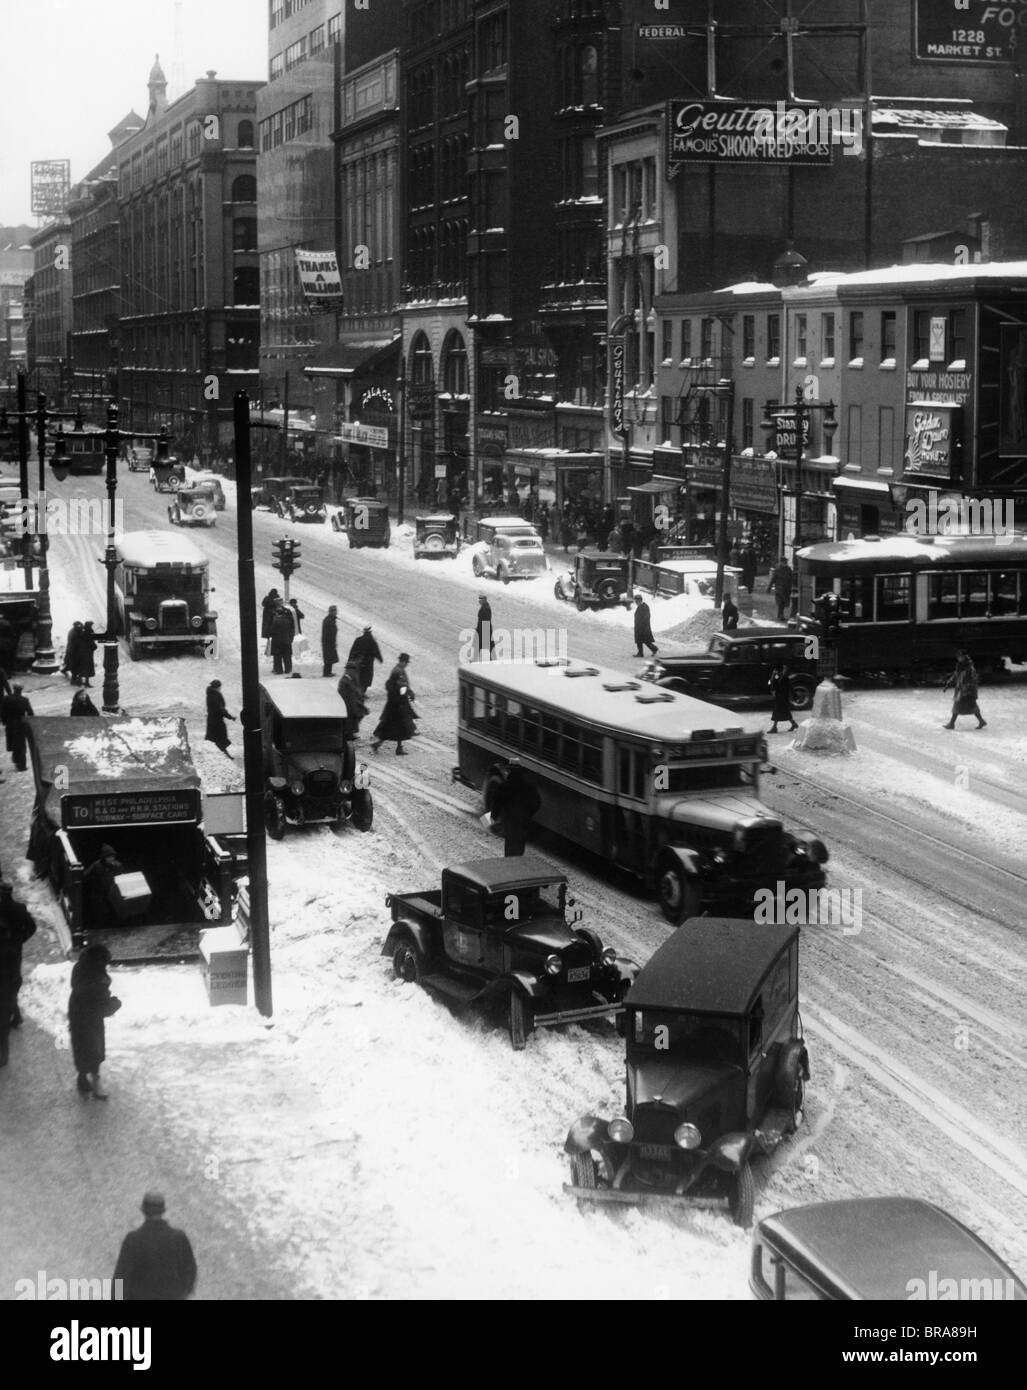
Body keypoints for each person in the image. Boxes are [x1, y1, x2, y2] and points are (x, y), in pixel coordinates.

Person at [114, 1193, 197, 1301]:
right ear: (163, 1211)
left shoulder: (133, 1239)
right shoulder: (178, 1238)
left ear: (143, 1211)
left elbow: (121, 1276)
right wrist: (182, 1293)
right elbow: (190, 1270)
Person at [67, 942, 120, 1098]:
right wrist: (111, 1004)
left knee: (92, 1045)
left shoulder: (84, 969)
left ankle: (88, 1076)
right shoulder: (91, 975)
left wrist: (107, 1002)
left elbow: (94, 995)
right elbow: (94, 999)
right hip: (84, 1016)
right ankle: (85, 1077)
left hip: (83, 1015)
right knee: (88, 1046)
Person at [0, 878, 37, 1067]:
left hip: (5, 955)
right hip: (14, 954)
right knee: (12, 984)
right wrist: (20, 940)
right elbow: (32, 927)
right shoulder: (19, 909)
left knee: (7, 988)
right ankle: (16, 1015)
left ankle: (12, 1016)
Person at [489, 760, 542, 857]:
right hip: (523, 821)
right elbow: (537, 802)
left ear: (509, 771)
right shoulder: (529, 787)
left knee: (510, 846)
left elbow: (497, 803)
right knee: (520, 845)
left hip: (510, 822)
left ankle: (510, 866)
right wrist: (528, 814)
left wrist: (492, 818)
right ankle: (517, 865)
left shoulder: (505, 786)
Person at [371, 654, 417, 756]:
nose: (406, 665)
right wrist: (409, 693)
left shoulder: (397, 670)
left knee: (394, 728)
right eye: (406, 662)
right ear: (403, 662)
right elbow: (401, 687)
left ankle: (381, 745)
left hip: (395, 704)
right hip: (397, 705)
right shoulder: (398, 671)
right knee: (397, 727)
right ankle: (387, 746)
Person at [83, 844, 124, 928]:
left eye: (112, 856)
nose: (111, 858)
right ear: (104, 858)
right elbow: (85, 875)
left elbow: (122, 878)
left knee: (114, 913)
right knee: (101, 914)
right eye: (109, 857)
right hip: (99, 894)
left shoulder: (117, 865)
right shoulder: (96, 865)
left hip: (112, 893)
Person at [943, 651, 986, 730]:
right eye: (958, 657)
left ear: (964, 656)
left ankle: (951, 724)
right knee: (971, 706)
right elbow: (955, 675)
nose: (958, 658)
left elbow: (974, 679)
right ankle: (981, 721)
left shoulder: (970, 667)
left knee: (959, 706)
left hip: (967, 691)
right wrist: (948, 684)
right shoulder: (960, 666)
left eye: (960, 656)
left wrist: (969, 688)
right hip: (961, 690)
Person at [1, 682, 33, 772]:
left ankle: (15, 758)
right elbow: (31, 714)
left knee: (13, 742)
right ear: (21, 690)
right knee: (21, 745)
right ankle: (22, 766)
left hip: (10, 724)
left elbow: (2, 712)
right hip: (20, 724)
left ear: (13, 689)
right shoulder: (24, 700)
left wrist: (4, 722)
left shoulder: (6, 699)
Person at [348, 626, 383, 693]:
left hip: (358, 662)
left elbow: (352, 651)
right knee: (366, 679)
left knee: (359, 677)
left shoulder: (358, 640)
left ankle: (357, 691)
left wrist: (350, 660)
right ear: (370, 632)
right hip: (368, 664)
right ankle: (362, 693)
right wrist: (380, 659)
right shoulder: (372, 641)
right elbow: (376, 651)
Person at [337, 662, 368, 738]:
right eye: (353, 670)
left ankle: (350, 732)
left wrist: (361, 695)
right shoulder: (345, 679)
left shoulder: (351, 678)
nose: (354, 672)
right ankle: (348, 733)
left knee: (359, 714)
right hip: (348, 703)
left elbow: (356, 689)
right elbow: (343, 692)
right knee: (352, 717)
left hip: (353, 702)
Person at [205, 679, 235, 754]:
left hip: (213, 719)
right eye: (219, 687)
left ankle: (224, 752)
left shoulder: (212, 694)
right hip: (216, 720)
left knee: (216, 737)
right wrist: (230, 717)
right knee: (220, 737)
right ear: (217, 687)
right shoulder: (214, 696)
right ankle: (224, 752)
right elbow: (220, 709)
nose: (220, 688)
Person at [768, 664, 798, 734]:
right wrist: (773, 674)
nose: (784, 670)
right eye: (784, 669)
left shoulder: (786, 678)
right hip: (779, 697)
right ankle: (793, 724)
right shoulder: (778, 676)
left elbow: (790, 688)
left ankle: (774, 728)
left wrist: (795, 696)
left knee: (777, 712)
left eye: (785, 669)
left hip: (784, 698)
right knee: (784, 712)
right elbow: (772, 682)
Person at [270, 604, 295, 675]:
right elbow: (292, 631)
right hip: (287, 641)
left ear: (277, 613)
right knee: (287, 656)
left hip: (277, 642)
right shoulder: (288, 621)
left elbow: (272, 631)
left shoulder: (276, 621)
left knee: (277, 656)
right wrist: (290, 639)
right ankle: (288, 669)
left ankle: (279, 670)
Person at [73, 621, 99, 687]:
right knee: (87, 668)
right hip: (87, 654)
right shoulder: (89, 633)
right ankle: (85, 682)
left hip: (84, 653)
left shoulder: (84, 632)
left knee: (83, 668)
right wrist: (94, 646)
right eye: (91, 625)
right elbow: (91, 642)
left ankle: (82, 681)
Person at [768, 557, 794, 624]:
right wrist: (769, 588)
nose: (785, 563)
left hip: (786, 589)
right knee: (781, 602)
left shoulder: (788, 569)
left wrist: (792, 587)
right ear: (781, 562)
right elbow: (773, 579)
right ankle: (780, 615)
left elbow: (791, 579)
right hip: (779, 588)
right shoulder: (777, 569)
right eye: (784, 562)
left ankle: (781, 615)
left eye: (786, 562)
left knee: (784, 602)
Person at [632, 594, 658, 659]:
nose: (636, 602)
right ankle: (653, 649)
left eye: (636, 601)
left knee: (643, 640)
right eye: (635, 601)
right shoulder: (641, 606)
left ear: (640, 600)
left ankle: (641, 653)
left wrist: (642, 626)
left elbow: (646, 617)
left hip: (643, 627)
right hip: (640, 627)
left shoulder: (644, 607)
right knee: (642, 640)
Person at [475, 594, 495, 662]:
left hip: (485, 628)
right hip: (483, 627)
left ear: (484, 600)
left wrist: (480, 629)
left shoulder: (486, 608)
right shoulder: (485, 606)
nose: (479, 601)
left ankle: (490, 659)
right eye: (479, 600)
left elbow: (485, 619)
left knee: (485, 644)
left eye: (480, 600)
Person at [260, 588, 280, 657]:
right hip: (272, 619)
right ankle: (271, 651)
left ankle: (269, 651)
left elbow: (263, 604)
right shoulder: (273, 599)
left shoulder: (268, 598)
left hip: (269, 619)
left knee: (270, 636)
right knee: (272, 635)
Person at [321, 605, 339, 678]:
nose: (335, 612)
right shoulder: (328, 620)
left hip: (330, 642)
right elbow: (328, 632)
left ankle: (328, 672)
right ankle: (326, 673)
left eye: (336, 611)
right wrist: (331, 642)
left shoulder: (331, 619)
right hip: (328, 642)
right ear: (330, 612)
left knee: (330, 657)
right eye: (334, 611)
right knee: (328, 657)